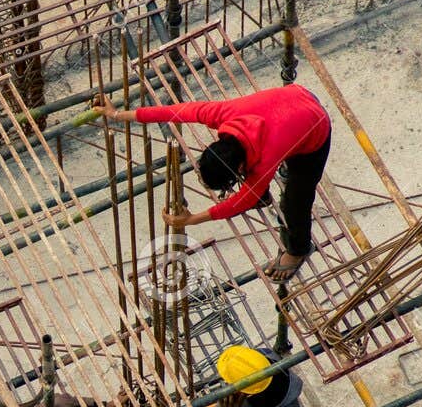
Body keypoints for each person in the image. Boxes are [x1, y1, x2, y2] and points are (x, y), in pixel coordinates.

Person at [94, 84, 332, 281]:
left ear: (241, 168)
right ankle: (265, 197)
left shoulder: (265, 160)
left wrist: (191, 219)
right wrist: (118, 115)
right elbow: (174, 112)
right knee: (260, 181)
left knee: (295, 202)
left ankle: (299, 250)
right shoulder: (222, 113)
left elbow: (240, 201)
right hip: (296, 96)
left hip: (315, 126)